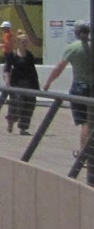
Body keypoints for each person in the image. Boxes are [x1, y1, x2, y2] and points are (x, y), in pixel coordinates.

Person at [44, 21, 93, 155]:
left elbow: (59, 68)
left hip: (80, 88)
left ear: (76, 33)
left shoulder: (72, 48)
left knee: (85, 122)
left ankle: (84, 154)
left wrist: (48, 83)